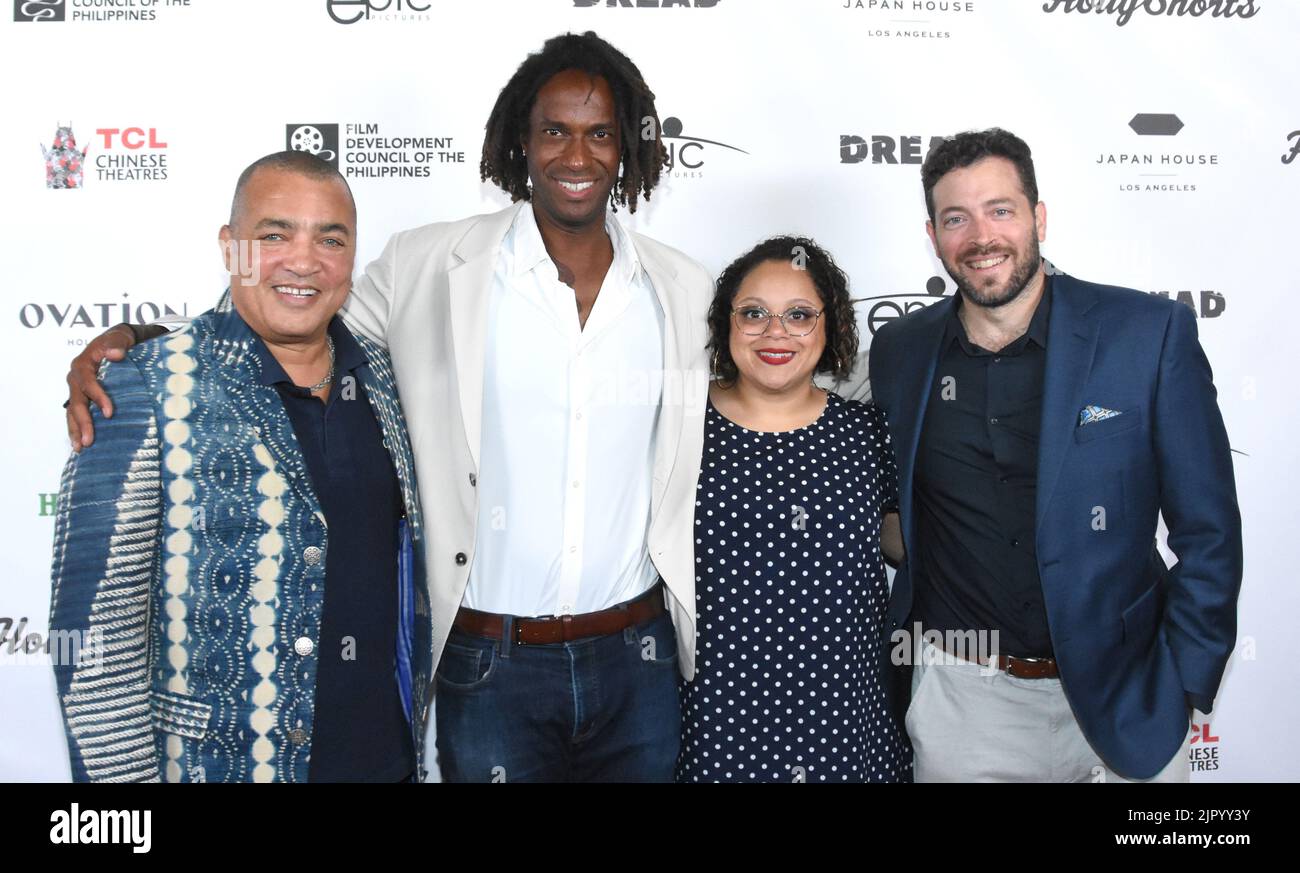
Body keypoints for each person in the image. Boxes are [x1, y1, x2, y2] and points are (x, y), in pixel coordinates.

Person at [63, 32, 711, 782]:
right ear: (520, 144)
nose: (577, 155)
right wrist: (142, 343)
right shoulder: (427, 266)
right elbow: (290, 318)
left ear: (627, 145)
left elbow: (784, 371)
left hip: (638, 661)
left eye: (599, 133)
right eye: (554, 131)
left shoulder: (683, 290)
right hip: (486, 664)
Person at [866, 128, 1242, 782]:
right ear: (933, 236)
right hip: (967, 705)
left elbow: (1209, 530)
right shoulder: (902, 349)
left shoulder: (1145, 334)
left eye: (1001, 210)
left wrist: (1185, 679)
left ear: (1039, 217)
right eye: (957, 218)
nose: (981, 236)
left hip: (1131, 695)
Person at [50, 151, 432, 782]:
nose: (304, 261)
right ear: (230, 247)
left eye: (329, 239)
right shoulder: (139, 391)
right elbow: (95, 649)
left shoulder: (386, 381)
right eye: (274, 235)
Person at [675, 236, 909, 783]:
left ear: (830, 329)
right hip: (711, 725)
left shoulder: (868, 434)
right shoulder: (677, 428)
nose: (775, 332)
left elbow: (910, 541)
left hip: (846, 728)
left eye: (799, 315)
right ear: (723, 323)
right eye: (753, 313)